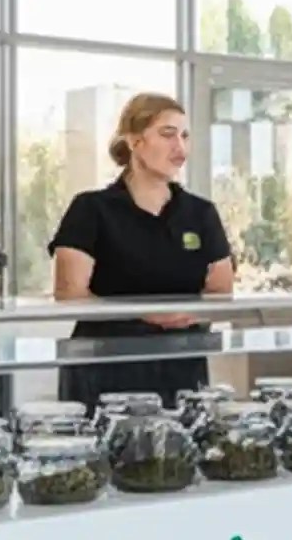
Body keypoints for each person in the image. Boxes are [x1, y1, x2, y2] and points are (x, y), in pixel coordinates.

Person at [49, 92, 234, 409]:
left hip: (180, 366)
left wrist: (189, 314)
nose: (180, 147)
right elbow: (70, 294)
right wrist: (146, 314)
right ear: (134, 141)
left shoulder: (200, 213)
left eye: (185, 136)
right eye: (168, 134)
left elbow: (221, 291)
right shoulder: (91, 209)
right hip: (104, 367)